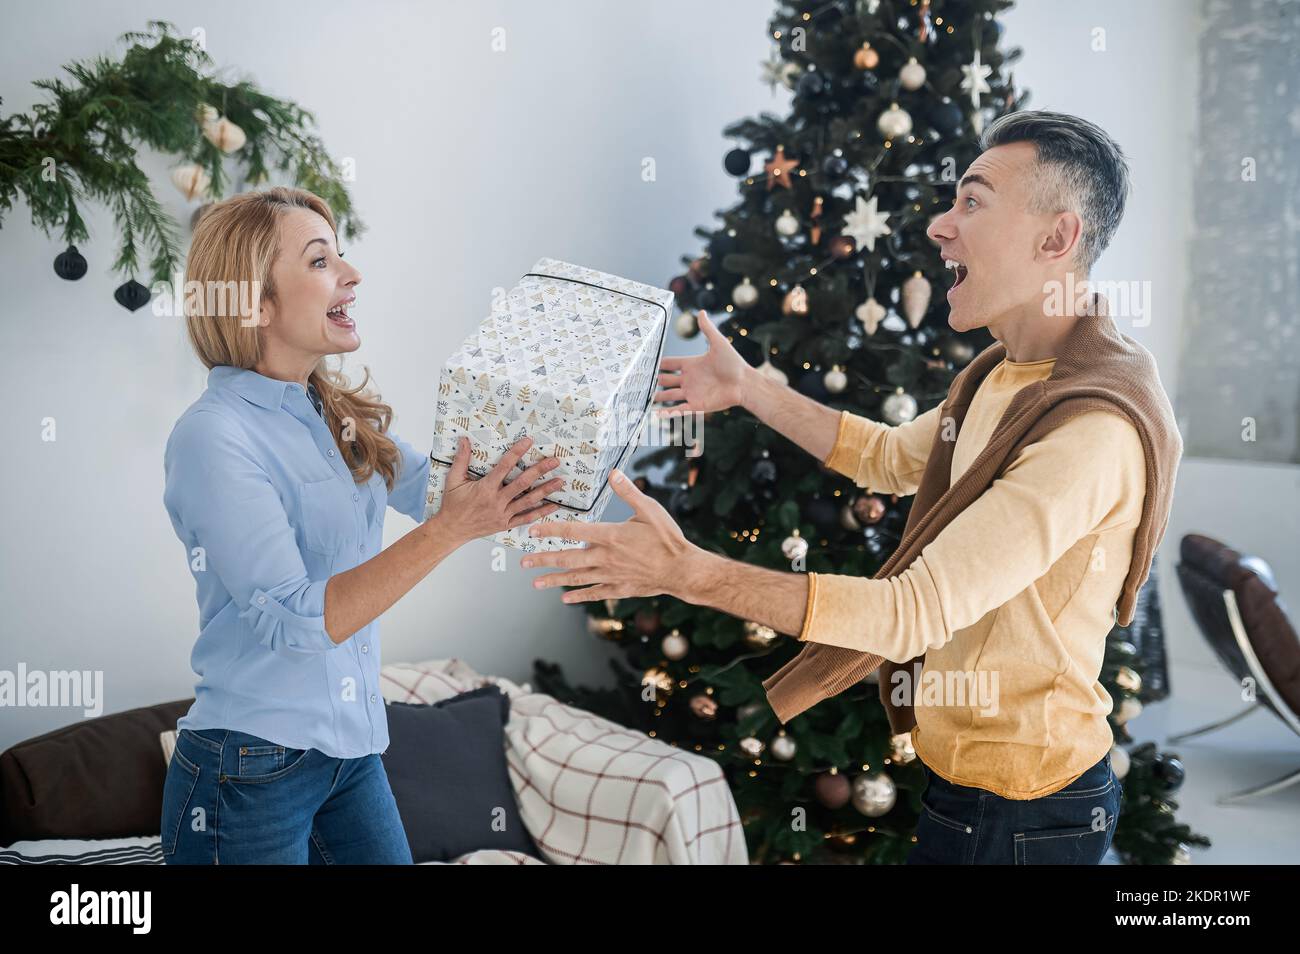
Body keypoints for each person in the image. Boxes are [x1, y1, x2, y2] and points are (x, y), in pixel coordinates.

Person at [520, 110, 1183, 864]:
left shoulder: (1088, 429)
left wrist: (686, 572)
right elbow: (892, 457)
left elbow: (909, 614)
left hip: (1024, 809)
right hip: (972, 788)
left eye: (973, 201)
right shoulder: (1006, 375)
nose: (941, 225)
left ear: (1055, 239)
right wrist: (749, 388)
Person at [159, 186, 563, 864]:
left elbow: (446, 495)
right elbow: (294, 620)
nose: (352, 275)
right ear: (254, 303)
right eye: (321, 261)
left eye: (340, 255)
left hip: (352, 754)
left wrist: (552, 462)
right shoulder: (213, 437)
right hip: (248, 772)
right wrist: (449, 531)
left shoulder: (332, 411)